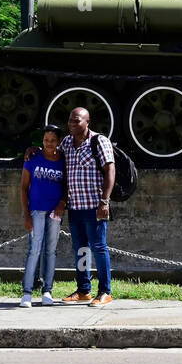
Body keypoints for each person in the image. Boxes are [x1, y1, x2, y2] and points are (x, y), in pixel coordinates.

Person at [58, 107, 115, 307]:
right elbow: (51, 155)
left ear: (87, 122)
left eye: (77, 121)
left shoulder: (98, 141)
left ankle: (105, 292)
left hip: (95, 206)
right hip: (75, 206)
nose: (72, 124)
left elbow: (110, 170)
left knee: (99, 247)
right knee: (80, 249)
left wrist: (105, 201)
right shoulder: (66, 142)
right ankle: (83, 290)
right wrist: (33, 151)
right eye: (70, 120)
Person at [20, 125, 66, 307]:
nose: (49, 143)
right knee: (34, 249)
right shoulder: (32, 158)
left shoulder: (63, 160)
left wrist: (63, 203)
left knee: (51, 251)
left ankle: (47, 290)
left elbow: (66, 185)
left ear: (59, 141)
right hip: (36, 210)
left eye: (53, 140)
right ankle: (27, 292)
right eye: (46, 140)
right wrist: (26, 214)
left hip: (55, 211)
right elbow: (24, 187)